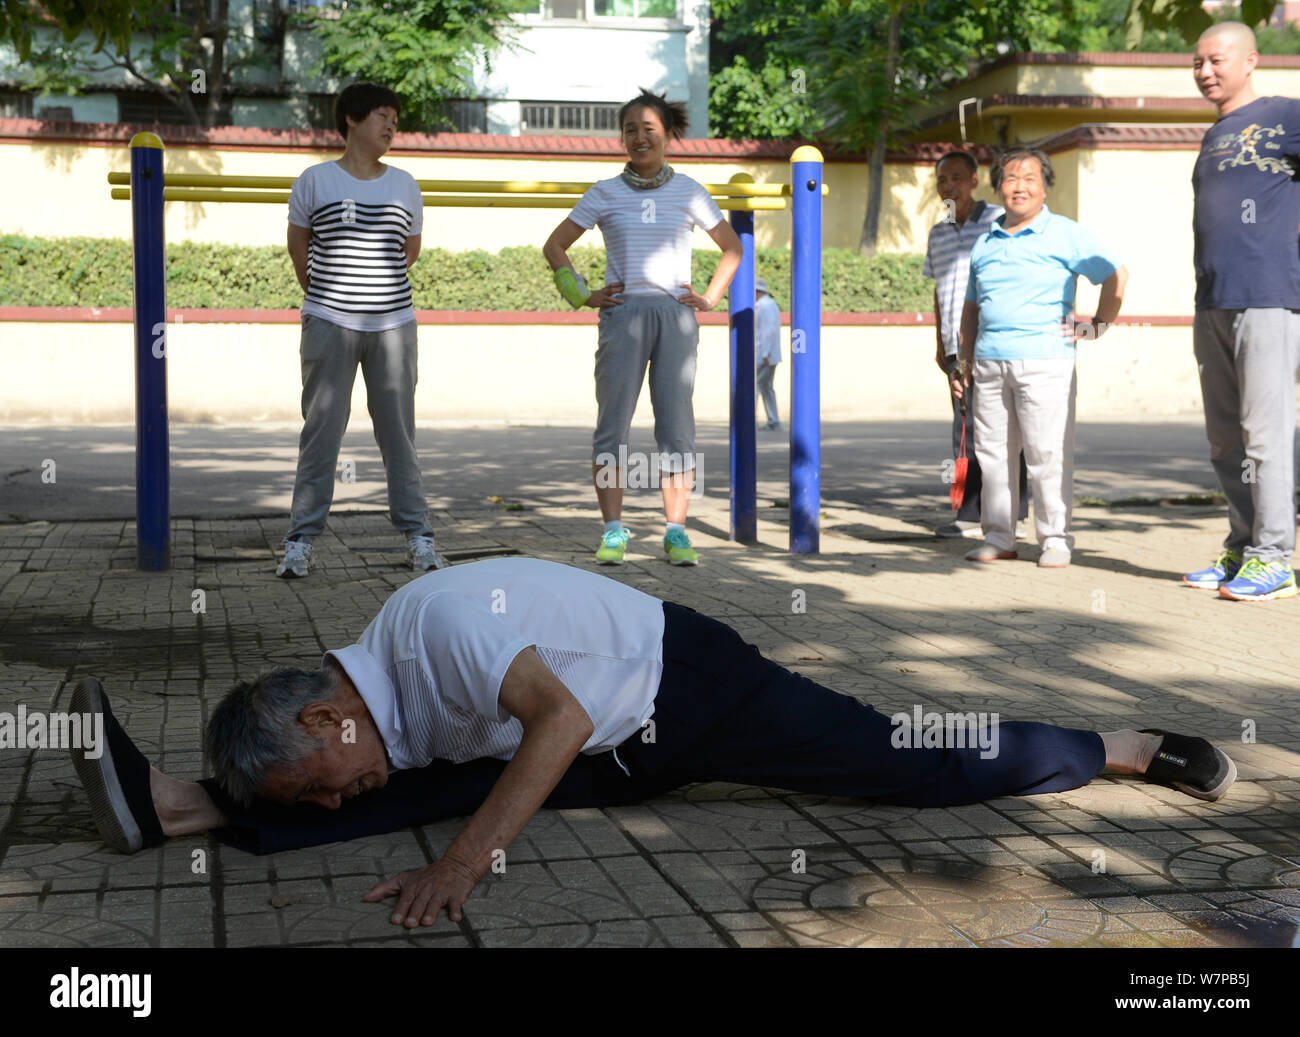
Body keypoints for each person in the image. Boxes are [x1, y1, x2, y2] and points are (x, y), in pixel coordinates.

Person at [72, 557, 1236, 930]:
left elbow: (561, 721)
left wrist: (463, 865)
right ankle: (182, 799)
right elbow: (396, 775)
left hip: (695, 690)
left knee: (904, 758)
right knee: (410, 789)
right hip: (608, 743)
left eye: (312, 777)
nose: (330, 795)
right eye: (302, 794)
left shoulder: (431, 633)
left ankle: (1119, 744)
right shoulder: (370, 693)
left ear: (327, 716)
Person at [542, 89, 743, 567]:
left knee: (676, 428)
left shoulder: (690, 191)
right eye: (629, 129)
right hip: (622, 315)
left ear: (668, 135)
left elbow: (731, 248)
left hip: (675, 318)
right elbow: (555, 246)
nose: (638, 137)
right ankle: (613, 531)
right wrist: (581, 294)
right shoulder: (603, 193)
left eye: (648, 129)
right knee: (612, 428)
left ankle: (677, 533)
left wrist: (710, 298)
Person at [276, 82, 442, 579]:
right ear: (350, 119)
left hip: (394, 323)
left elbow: (407, 254)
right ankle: (301, 541)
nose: (391, 125)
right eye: (380, 115)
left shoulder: (405, 184)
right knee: (322, 430)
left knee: (399, 435)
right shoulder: (314, 181)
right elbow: (299, 248)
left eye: (395, 117)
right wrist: (332, 297)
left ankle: (419, 536)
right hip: (329, 320)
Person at [956, 149, 1129, 568]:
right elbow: (972, 307)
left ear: (1044, 186)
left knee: (1046, 451)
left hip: (1046, 361)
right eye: (1011, 178)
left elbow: (1115, 274)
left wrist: (1097, 326)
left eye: (1030, 178)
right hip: (990, 361)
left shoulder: (1065, 233)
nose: (1019, 186)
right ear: (998, 187)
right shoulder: (985, 241)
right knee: (994, 453)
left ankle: (1055, 539)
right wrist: (964, 357)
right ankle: (999, 536)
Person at [1183, 21, 1300, 602]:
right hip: (1214, 299)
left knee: (1265, 434)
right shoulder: (1215, 134)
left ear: (1251, 59)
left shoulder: (1286, 114)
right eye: (1198, 63)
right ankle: (1243, 546)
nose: (1206, 71)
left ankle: (1275, 558)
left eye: (1217, 60)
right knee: (1226, 440)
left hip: (1268, 296)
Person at [922, 150, 1028, 539]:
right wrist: (941, 344)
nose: (948, 187)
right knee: (964, 431)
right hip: (954, 349)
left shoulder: (995, 224)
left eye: (955, 179)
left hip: (991, 344)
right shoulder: (937, 233)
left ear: (973, 181)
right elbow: (939, 290)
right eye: (941, 181)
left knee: (1003, 430)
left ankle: (1010, 512)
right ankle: (966, 514)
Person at [754, 277, 782, 430]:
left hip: (764, 355)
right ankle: (773, 420)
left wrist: (765, 353)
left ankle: (751, 420)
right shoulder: (766, 305)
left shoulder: (765, 307)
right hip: (767, 354)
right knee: (766, 387)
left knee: (755, 387)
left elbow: (768, 331)